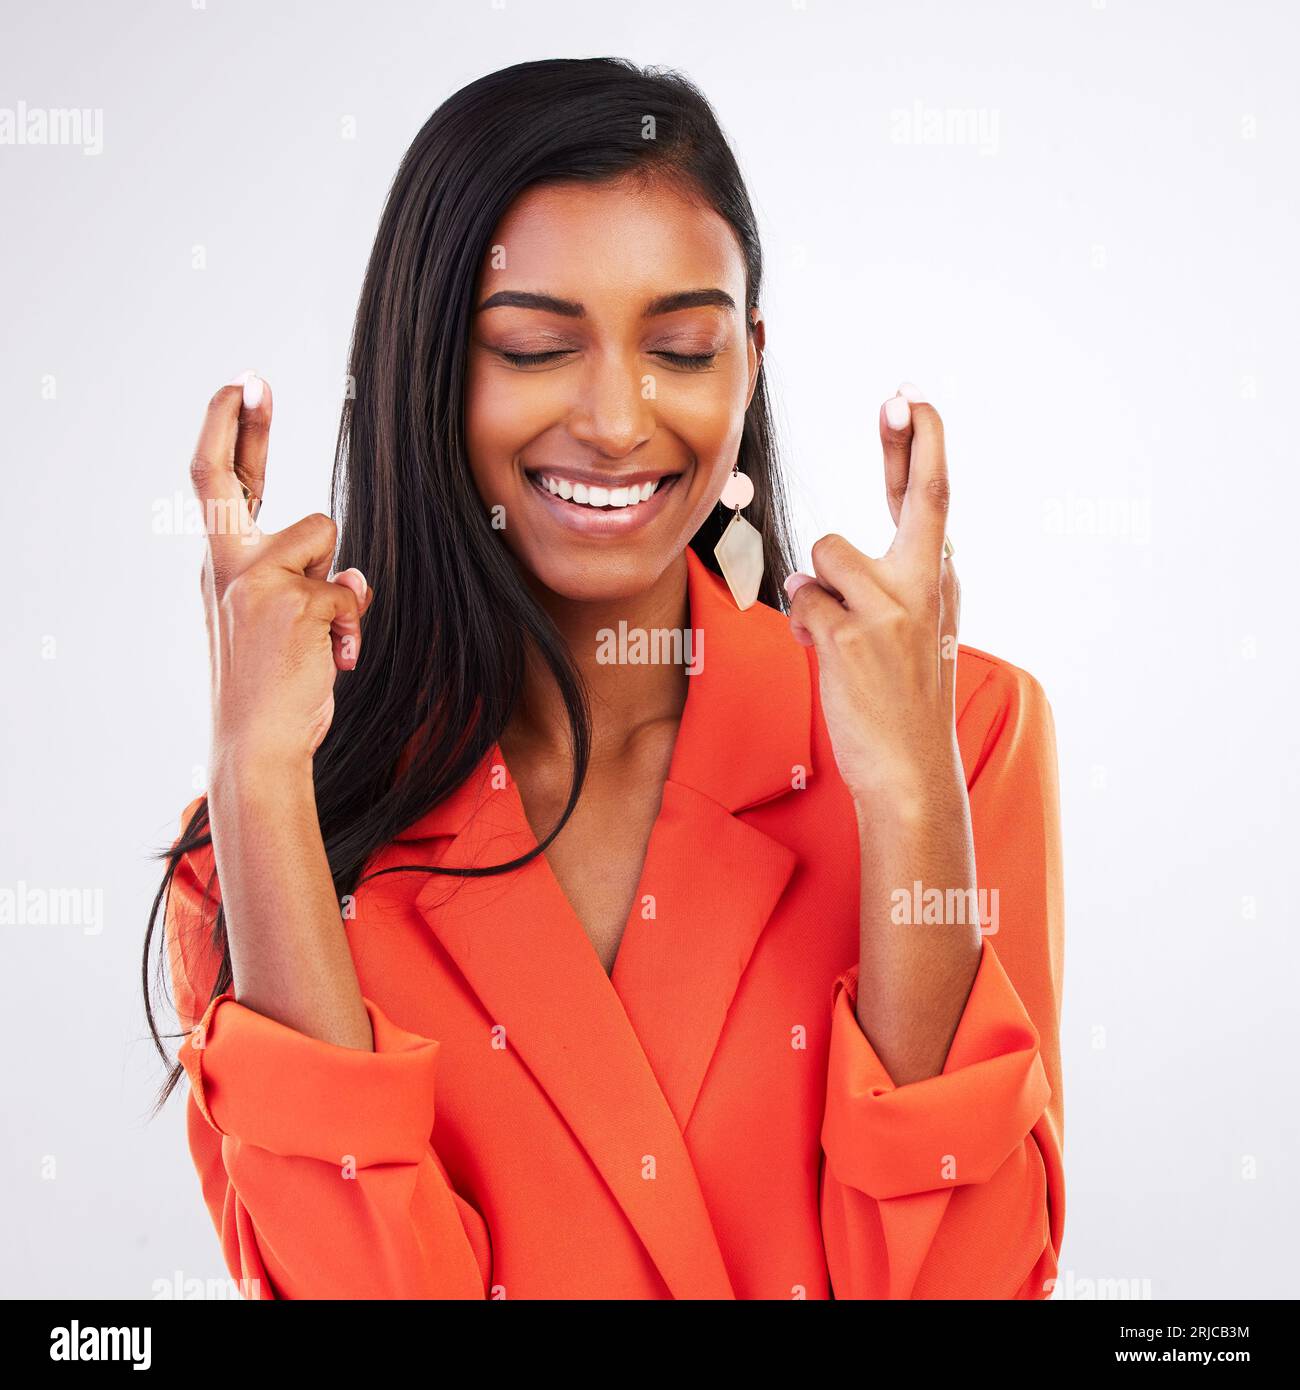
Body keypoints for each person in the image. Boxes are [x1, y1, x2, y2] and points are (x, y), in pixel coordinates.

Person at [144, 56, 1064, 1300]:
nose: (621, 420)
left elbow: (971, 1284)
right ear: (428, 368)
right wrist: (255, 779)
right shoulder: (268, 837)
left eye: (681, 348)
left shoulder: (964, 731)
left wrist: (908, 806)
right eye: (534, 348)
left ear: (748, 359)